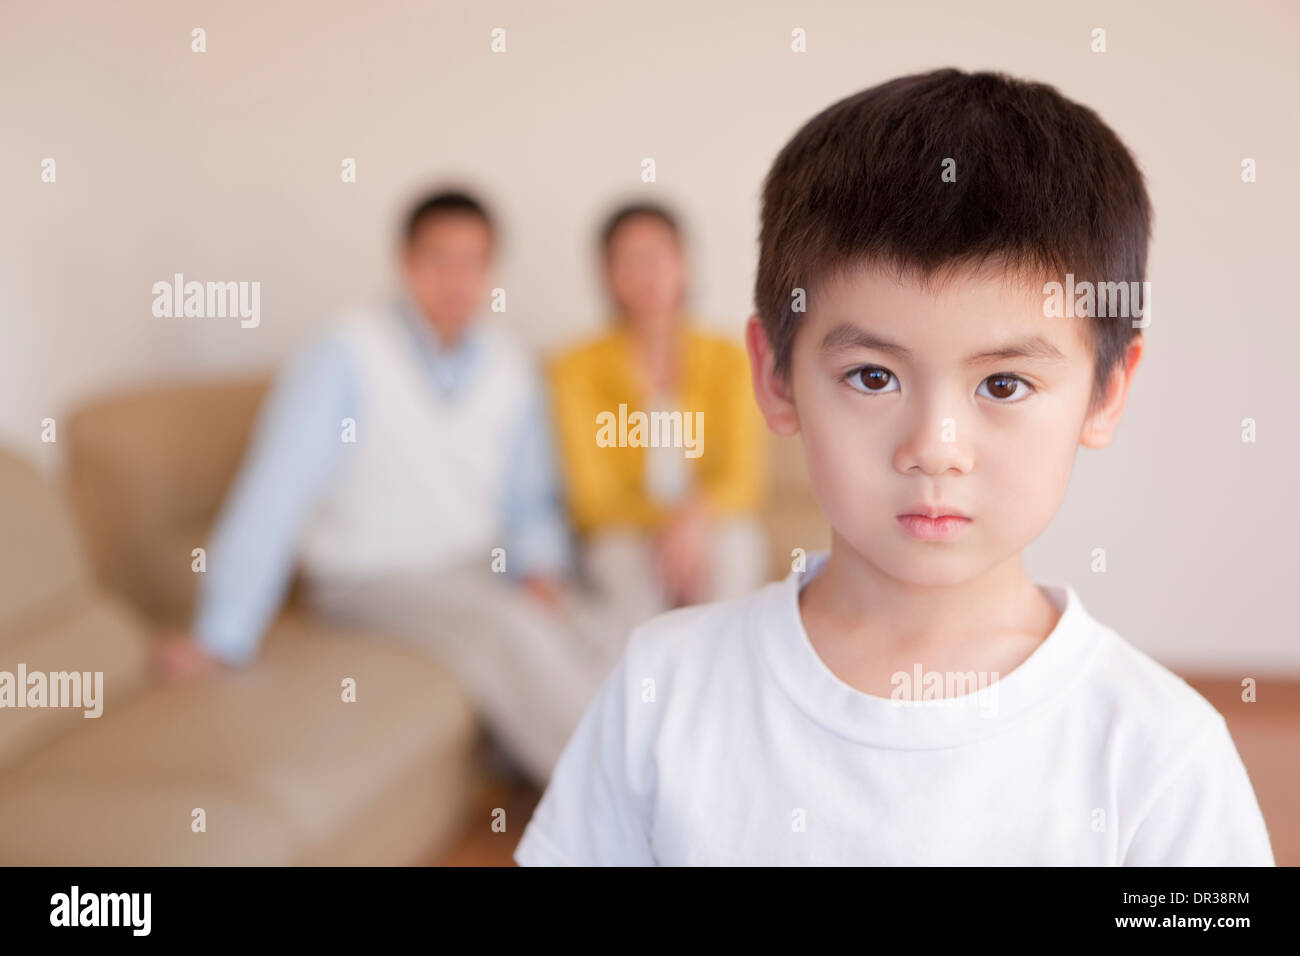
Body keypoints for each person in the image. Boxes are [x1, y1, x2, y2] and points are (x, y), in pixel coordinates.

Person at [513, 69, 1275, 864]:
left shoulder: (1162, 755)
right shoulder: (660, 688)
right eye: (873, 377)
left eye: (1004, 384)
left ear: (1106, 393)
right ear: (776, 378)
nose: (935, 447)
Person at [156, 189, 619, 787]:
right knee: (514, 632)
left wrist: (539, 569)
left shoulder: (508, 365)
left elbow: (528, 497)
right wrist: (221, 634)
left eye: (472, 262)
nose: (456, 280)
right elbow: (275, 491)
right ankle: (628, 818)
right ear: (405, 263)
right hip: (372, 578)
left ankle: (679, 781)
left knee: (603, 628)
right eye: (438, 260)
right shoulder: (343, 354)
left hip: (478, 567)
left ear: (490, 271)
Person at [546, 202, 768, 627]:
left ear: (685, 265)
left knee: (740, 544)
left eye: (659, 256)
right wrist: (670, 524)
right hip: (624, 531)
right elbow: (592, 499)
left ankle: (721, 683)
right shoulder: (573, 369)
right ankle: (647, 685)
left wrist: (692, 519)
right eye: (630, 260)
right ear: (607, 275)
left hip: (709, 521)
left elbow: (743, 481)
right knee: (620, 562)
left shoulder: (730, 359)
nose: (648, 274)